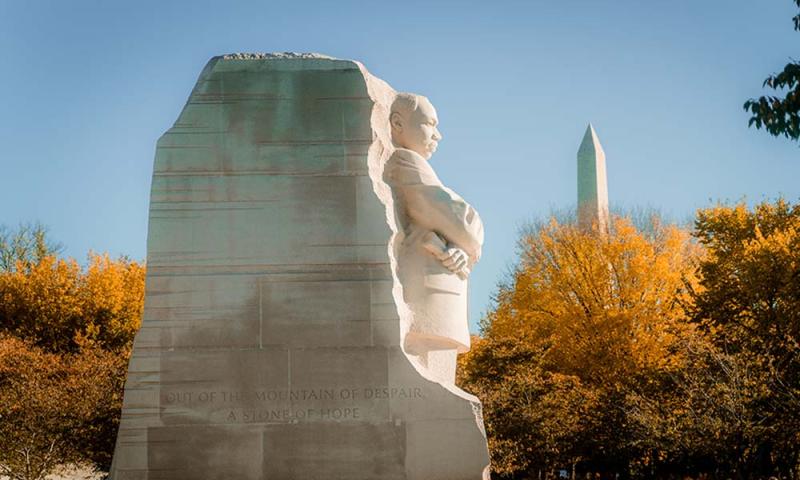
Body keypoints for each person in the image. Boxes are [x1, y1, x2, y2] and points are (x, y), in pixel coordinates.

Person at [384, 92, 484, 384]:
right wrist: (468, 241)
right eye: (429, 124)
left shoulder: (416, 164)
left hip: (438, 297)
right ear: (397, 123)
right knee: (425, 394)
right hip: (425, 298)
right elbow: (460, 221)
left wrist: (460, 250)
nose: (438, 136)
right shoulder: (405, 160)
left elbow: (452, 230)